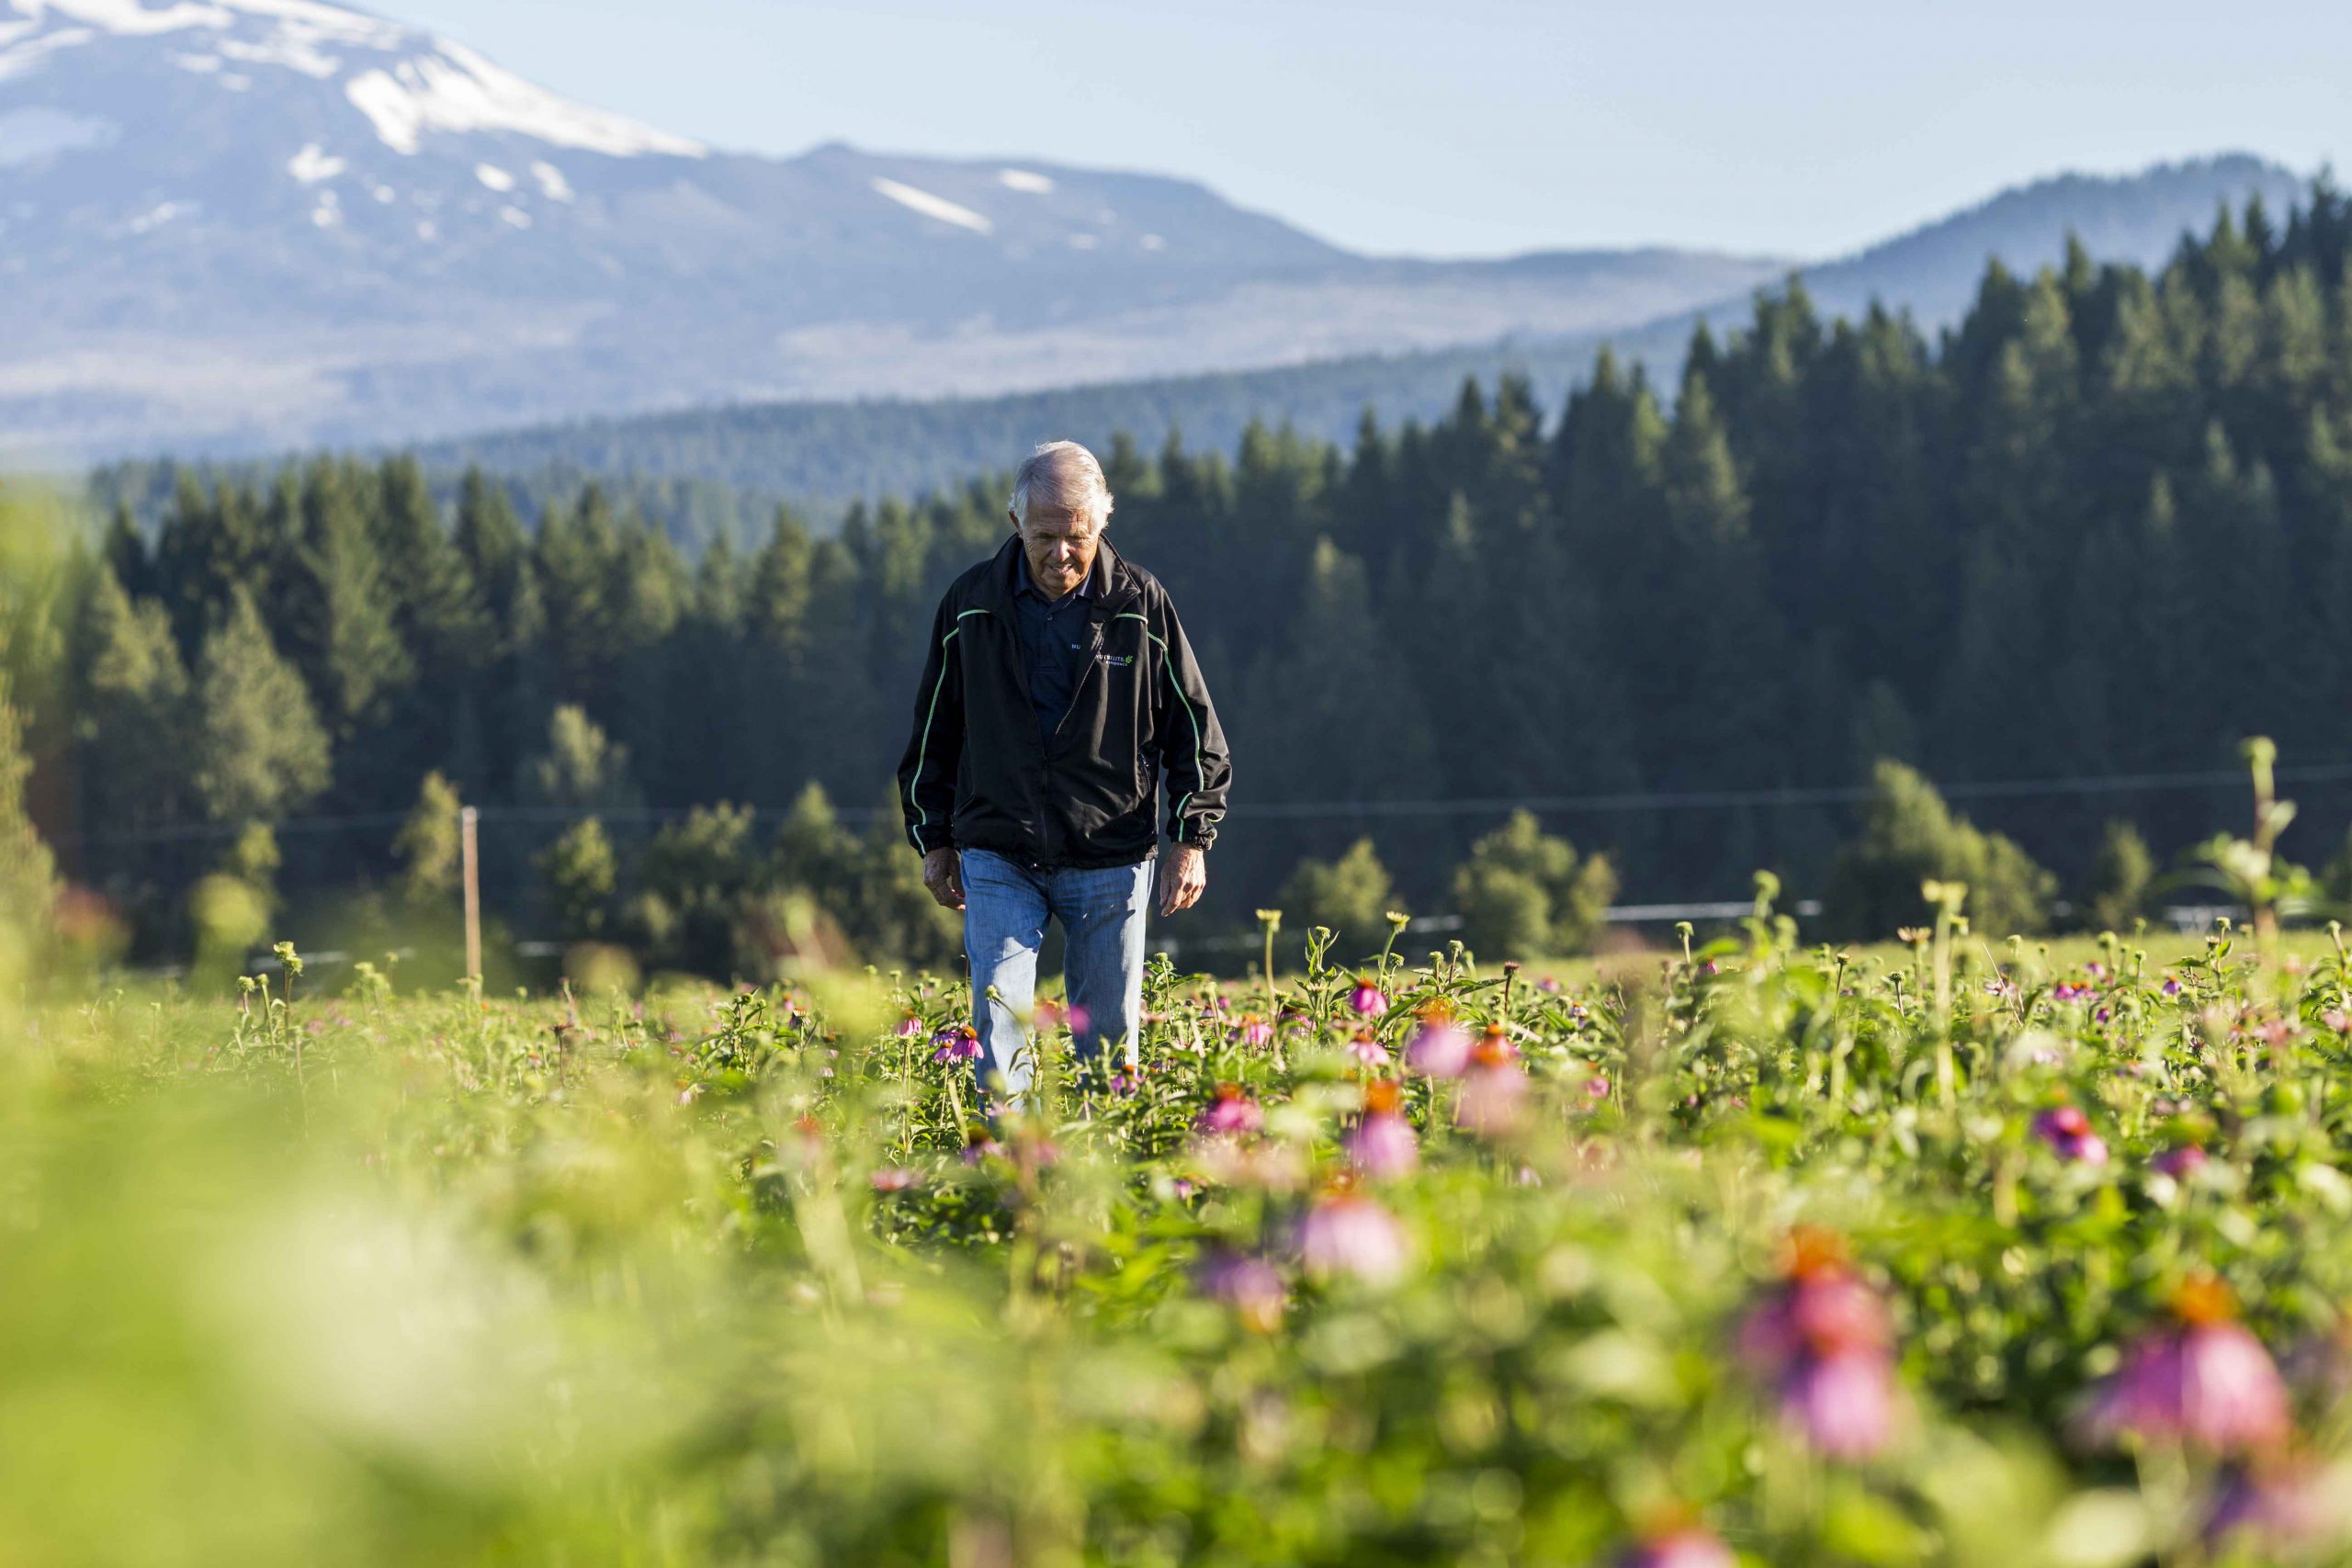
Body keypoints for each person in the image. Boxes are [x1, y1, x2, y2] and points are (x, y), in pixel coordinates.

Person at [897, 440, 1231, 1103]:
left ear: (1101, 524)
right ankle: (1013, 1184)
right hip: (999, 853)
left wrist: (1192, 838)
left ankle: (1101, 1188)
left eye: (1076, 537)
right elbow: (935, 731)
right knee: (998, 1030)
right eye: (1045, 535)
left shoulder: (1141, 605)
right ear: (1016, 523)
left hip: (1111, 857)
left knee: (1109, 1047)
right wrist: (932, 839)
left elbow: (1195, 731)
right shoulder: (971, 605)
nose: (1060, 553)